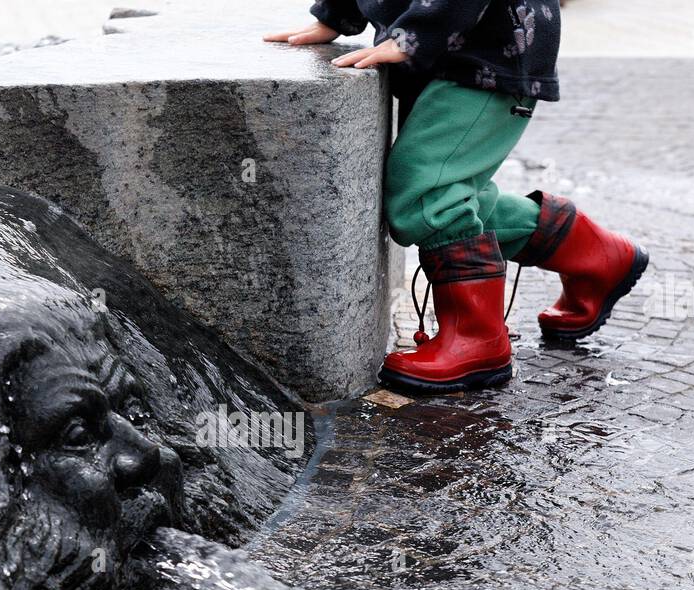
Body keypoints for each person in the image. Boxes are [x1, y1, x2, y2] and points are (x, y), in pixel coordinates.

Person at [266, 1, 648, 393]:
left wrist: (417, 33)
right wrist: (337, 15)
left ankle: (478, 339)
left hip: (486, 48)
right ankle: (598, 256)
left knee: (429, 190)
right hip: (447, 48)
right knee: (451, 198)